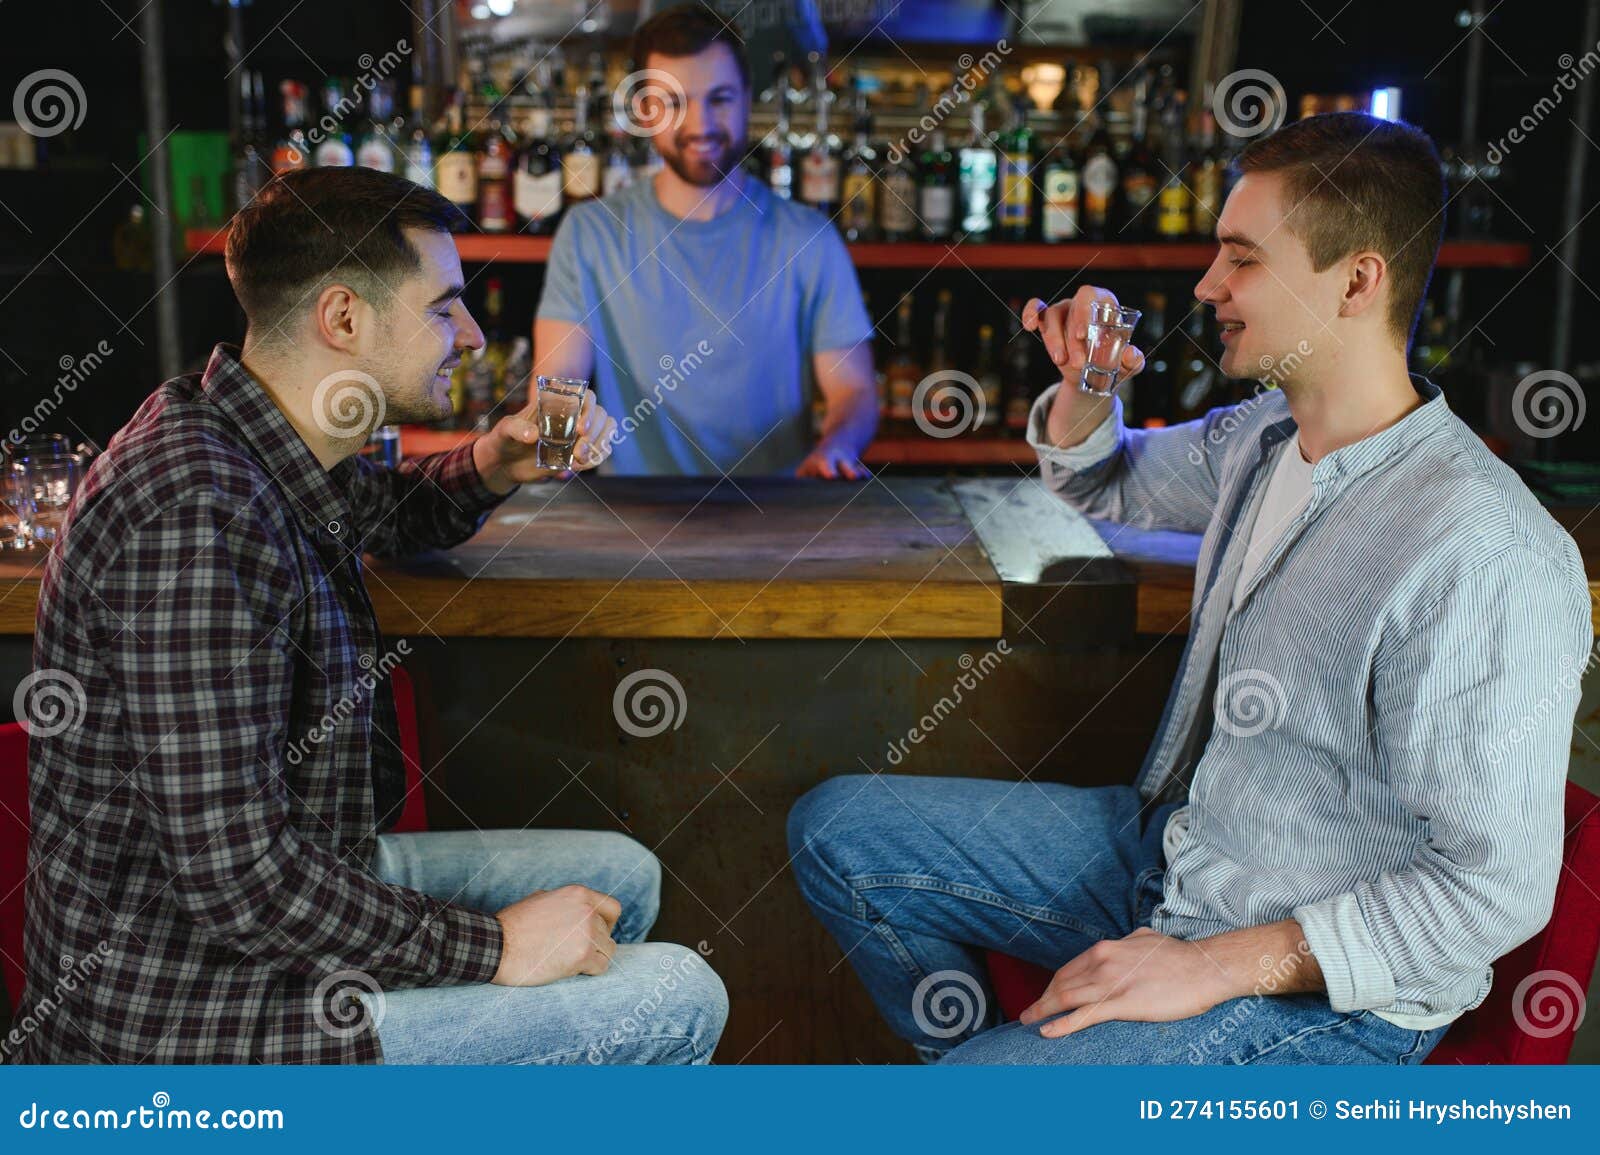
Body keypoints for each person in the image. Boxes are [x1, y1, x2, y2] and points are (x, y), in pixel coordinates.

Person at [788, 112, 1592, 1064]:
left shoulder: (1486, 547)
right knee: (836, 830)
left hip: (1322, 999)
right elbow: (1104, 476)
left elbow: (1489, 893)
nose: (1207, 284)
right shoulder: (1262, 436)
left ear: (1357, 280)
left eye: (1241, 258)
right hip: (1178, 858)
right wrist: (1088, 382)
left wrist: (1213, 965)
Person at [6, 166, 727, 1065]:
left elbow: (385, 512)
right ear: (343, 318)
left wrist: (498, 459)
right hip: (188, 1015)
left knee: (619, 877)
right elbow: (240, 880)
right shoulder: (194, 511)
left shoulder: (257, 432)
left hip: (282, 903)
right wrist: (499, 947)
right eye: (443, 307)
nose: (469, 334)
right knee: (674, 996)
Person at [534, 3, 878, 479]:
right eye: (675, 102)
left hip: (776, 517)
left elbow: (853, 391)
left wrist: (837, 446)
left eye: (719, 99)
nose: (700, 126)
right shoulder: (590, 233)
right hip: (634, 523)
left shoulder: (808, 238)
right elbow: (558, 382)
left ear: (745, 98)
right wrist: (555, 451)